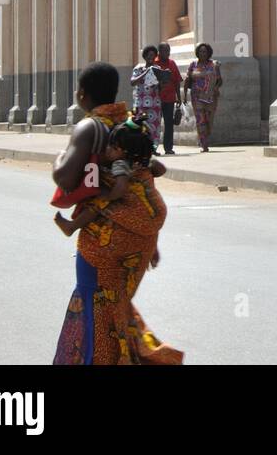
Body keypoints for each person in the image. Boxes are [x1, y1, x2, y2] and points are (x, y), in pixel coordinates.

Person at [51, 62, 182, 365]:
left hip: (104, 243)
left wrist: (58, 158)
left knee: (97, 311)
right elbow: (143, 181)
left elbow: (65, 179)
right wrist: (152, 241)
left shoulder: (89, 126)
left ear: (82, 94)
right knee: (115, 308)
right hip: (140, 240)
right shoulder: (132, 123)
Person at [54, 118, 157, 237]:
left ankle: (72, 226)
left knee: (98, 202)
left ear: (123, 151)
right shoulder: (141, 162)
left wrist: (108, 195)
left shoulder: (119, 164)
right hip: (150, 210)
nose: (107, 149)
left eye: (113, 147)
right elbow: (161, 169)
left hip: (135, 211)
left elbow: (120, 188)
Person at [184, 43, 223, 152]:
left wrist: (216, 87)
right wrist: (184, 96)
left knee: (209, 121)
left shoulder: (214, 65)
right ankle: (204, 144)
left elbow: (220, 80)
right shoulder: (193, 64)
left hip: (211, 97)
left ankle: (204, 138)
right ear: (197, 53)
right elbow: (187, 79)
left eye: (205, 51)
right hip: (197, 97)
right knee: (200, 120)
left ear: (208, 53)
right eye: (200, 51)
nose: (203, 53)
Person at [130, 45, 163, 145]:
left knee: (154, 127)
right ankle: (142, 148)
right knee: (141, 126)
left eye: (153, 55)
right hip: (141, 104)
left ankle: (153, 148)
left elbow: (160, 88)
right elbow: (132, 82)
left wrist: (162, 80)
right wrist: (146, 72)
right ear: (144, 56)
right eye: (149, 55)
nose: (151, 57)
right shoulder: (138, 68)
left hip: (154, 104)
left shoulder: (158, 69)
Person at [155, 41, 183, 155]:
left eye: (168, 50)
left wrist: (179, 97)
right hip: (156, 99)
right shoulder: (154, 63)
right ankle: (153, 147)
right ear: (159, 52)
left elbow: (177, 81)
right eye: (165, 50)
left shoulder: (172, 63)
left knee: (169, 123)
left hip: (170, 98)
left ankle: (168, 147)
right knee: (155, 123)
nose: (167, 53)